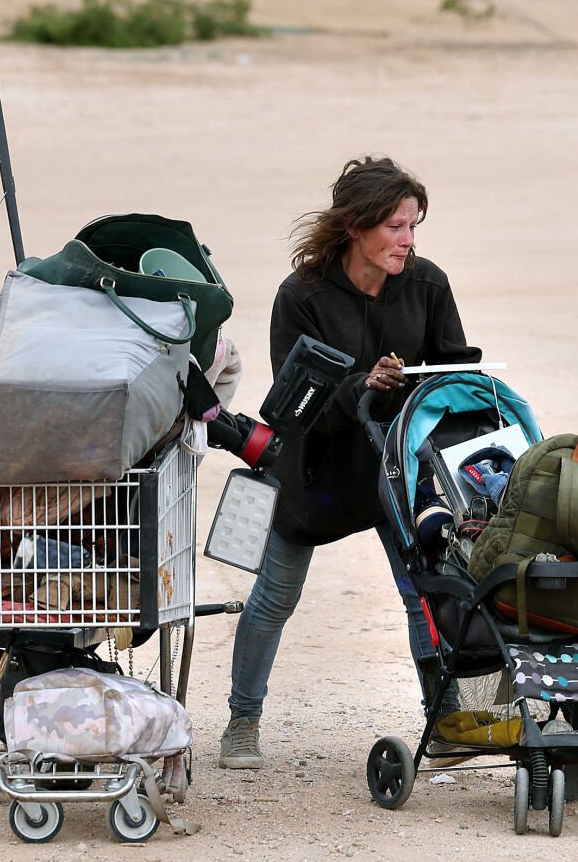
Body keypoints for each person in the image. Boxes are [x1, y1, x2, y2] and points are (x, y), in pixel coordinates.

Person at [219, 156, 479, 771]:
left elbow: (452, 370)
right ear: (356, 227)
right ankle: (242, 722)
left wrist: (450, 383)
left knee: (424, 594)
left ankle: (444, 723)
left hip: (396, 469)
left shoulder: (428, 284)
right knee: (273, 599)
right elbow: (294, 407)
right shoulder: (301, 296)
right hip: (314, 471)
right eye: (395, 227)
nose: (408, 241)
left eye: (413, 227)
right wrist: (363, 384)